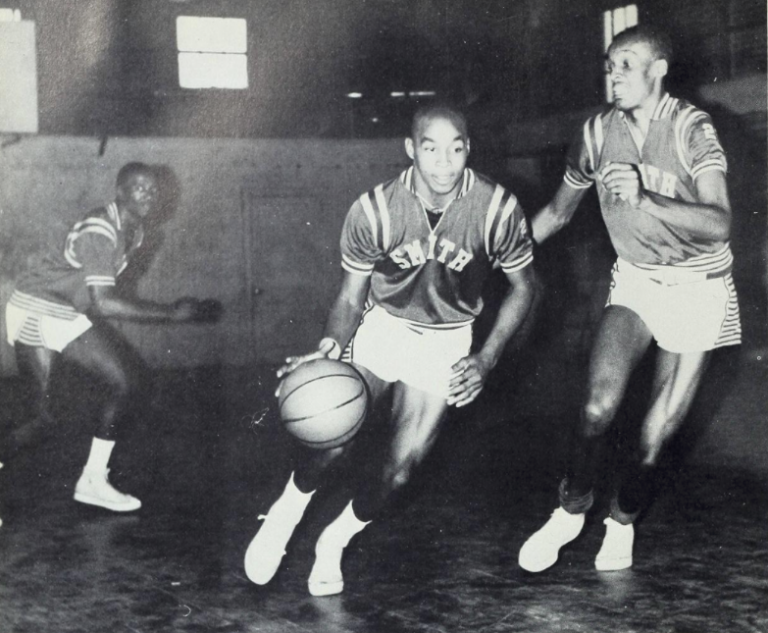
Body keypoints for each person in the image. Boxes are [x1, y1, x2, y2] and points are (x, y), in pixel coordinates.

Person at [244, 103, 535, 595]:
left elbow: (526, 288)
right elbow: (349, 295)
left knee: (401, 472)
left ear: (469, 149)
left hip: (447, 338)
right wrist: (331, 345)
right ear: (409, 151)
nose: (444, 163)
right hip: (383, 326)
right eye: (431, 149)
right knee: (331, 433)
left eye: (456, 149)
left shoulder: (496, 208)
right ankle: (287, 511)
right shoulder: (375, 209)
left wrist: (487, 358)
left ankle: (335, 541)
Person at [518, 25, 741, 573]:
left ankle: (621, 525)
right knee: (596, 407)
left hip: (700, 288)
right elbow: (556, 213)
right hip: (639, 279)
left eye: (627, 64)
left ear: (658, 69)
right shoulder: (596, 132)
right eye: (609, 65)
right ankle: (569, 512)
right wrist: (493, 254)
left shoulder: (693, 128)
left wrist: (647, 196)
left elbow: (719, 223)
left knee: (652, 440)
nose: (613, 76)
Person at [1, 162, 218, 521]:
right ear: (120, 192)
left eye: (153, 189)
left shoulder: (136, 232)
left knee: (44, 417)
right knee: (127, 382)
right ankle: (93, 480)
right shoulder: (101, 228)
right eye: (139, 188)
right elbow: (103, 302)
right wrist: (171, 313)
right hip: (39, 304)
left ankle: (91, 482)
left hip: (45, 307)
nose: (148, 194)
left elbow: (97, 300)